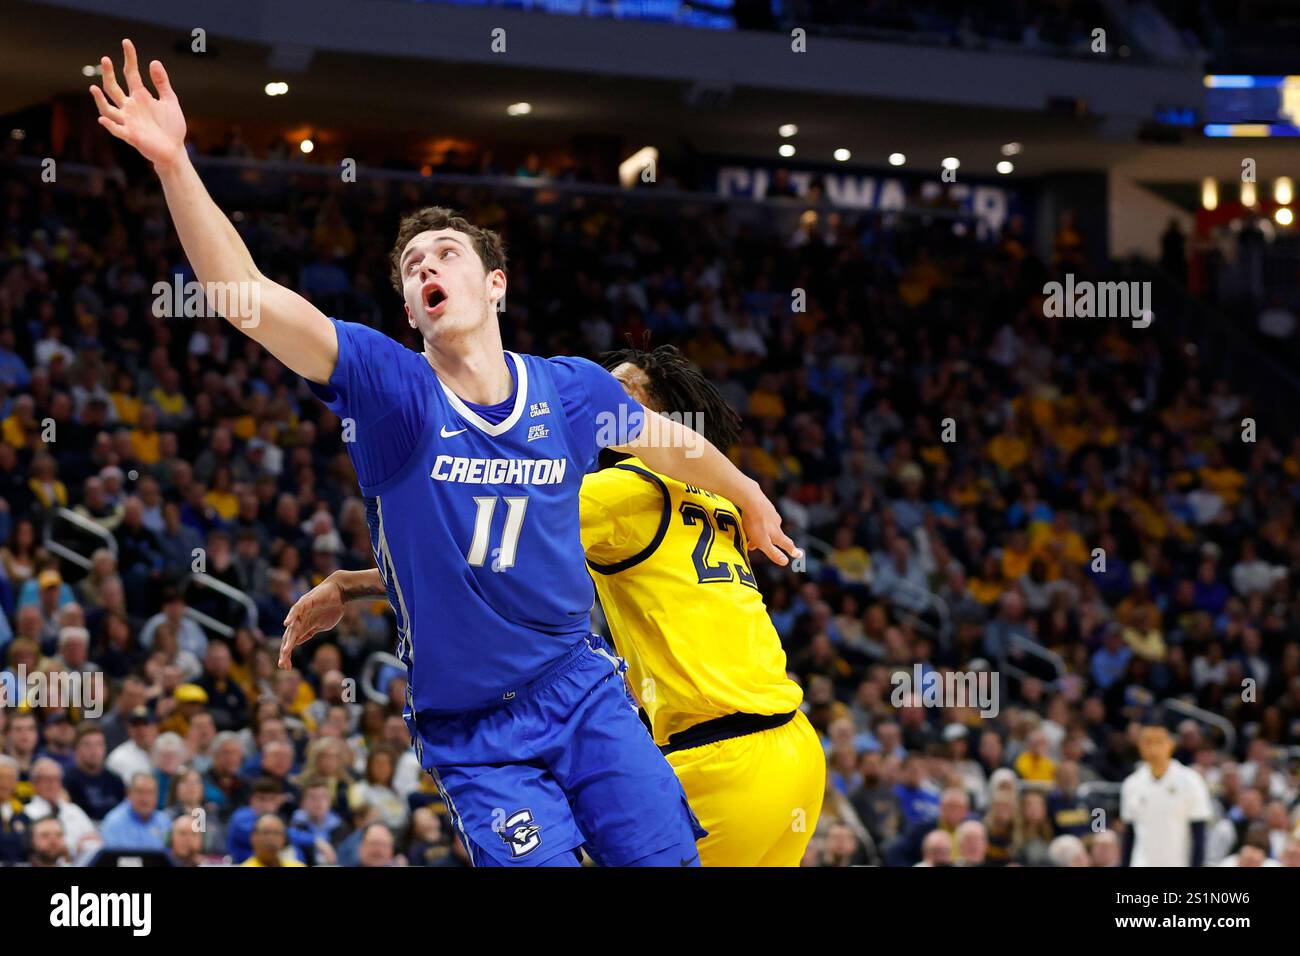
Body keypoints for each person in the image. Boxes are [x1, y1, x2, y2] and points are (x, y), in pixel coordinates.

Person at [94, 37, 796, 868]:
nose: (428, 265)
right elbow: (245, 299)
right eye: (412, 266)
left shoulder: (570, 390)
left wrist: (748, 491)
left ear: (494, 285)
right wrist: (175, 162)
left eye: (447, 254)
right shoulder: (393, 389)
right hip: (474, 728)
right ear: (410, 311)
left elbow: (673, 445)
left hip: (583, 690)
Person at [282, 345, 823, 866]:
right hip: (795, 753)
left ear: (654, 412)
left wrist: (349, 584)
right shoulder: (716, 497)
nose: (603, 395)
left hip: (722, 759)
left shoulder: (622, 489)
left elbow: (482, 553)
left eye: (624, 388)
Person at [1120, 719, 1212, 866]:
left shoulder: (1190, 781)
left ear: (1171, 744)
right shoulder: (1131, 784)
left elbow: (1199, 835)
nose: (1153, 748)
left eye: (1159, 741)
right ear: (1139, 745)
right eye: (1147, 742)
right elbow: (1129, 836)